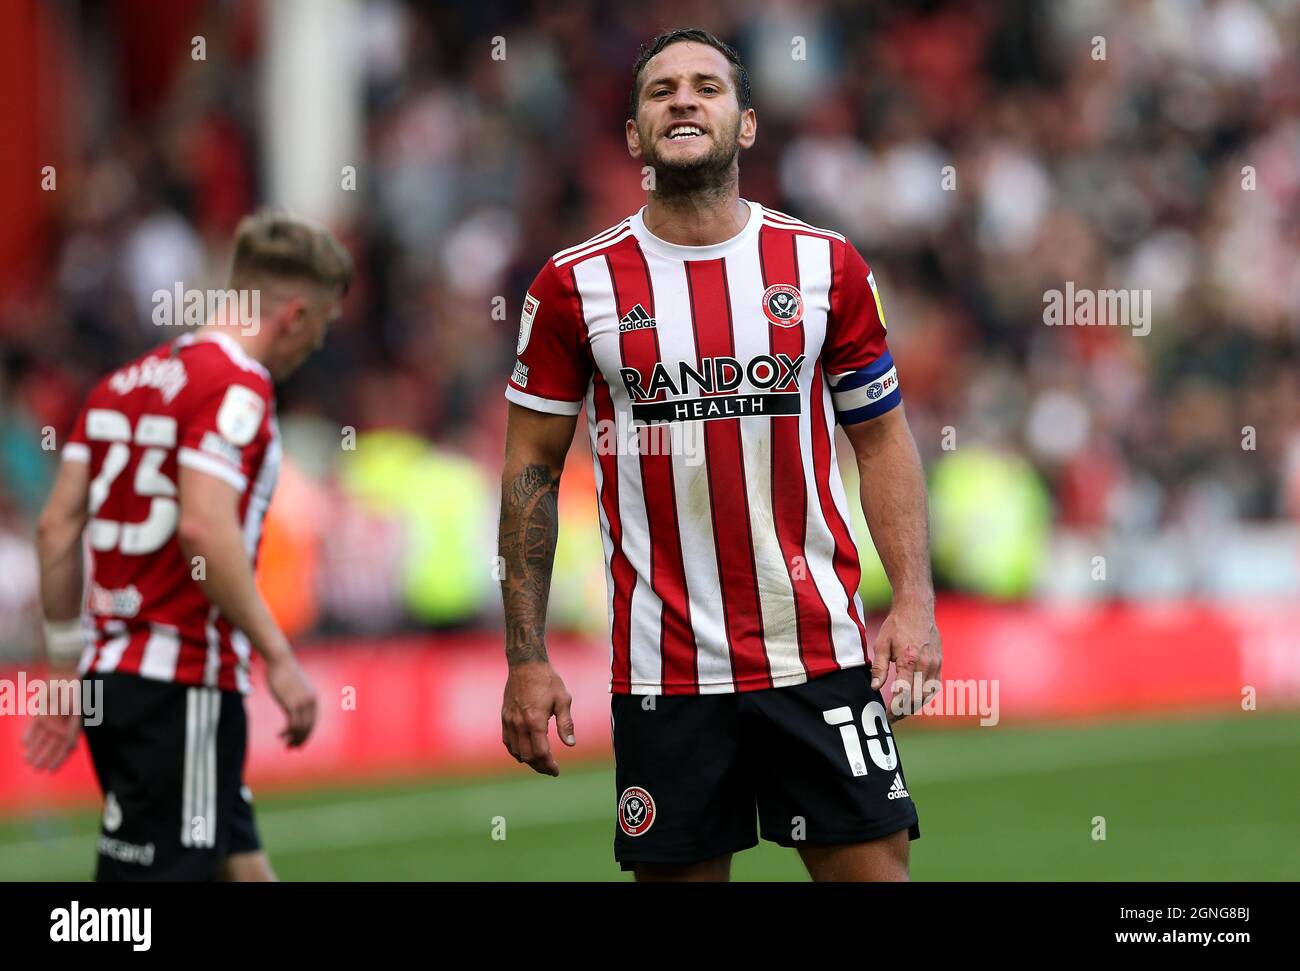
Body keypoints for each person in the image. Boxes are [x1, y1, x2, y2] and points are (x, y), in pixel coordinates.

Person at [498, 28, 942, 881]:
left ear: (745, 124)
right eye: (661, 91)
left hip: (816, 651)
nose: (683, 100)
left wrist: (914, 603)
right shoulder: (571, 286)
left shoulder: (826, 266)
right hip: (665, 674)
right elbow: (530, 475)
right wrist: (526, 656)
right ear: (633, 137)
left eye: (706, 86)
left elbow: (882, 439)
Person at [26, 210, 352, 881]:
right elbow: (204, 524)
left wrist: (64, 670)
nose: (312, 349)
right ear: (292, 315)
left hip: (112, 679)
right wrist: (279, 655)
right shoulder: (239, 389)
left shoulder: (123, 383)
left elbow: (55, 526)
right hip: (181, 685)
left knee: (244, 868)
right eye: (318, 329)